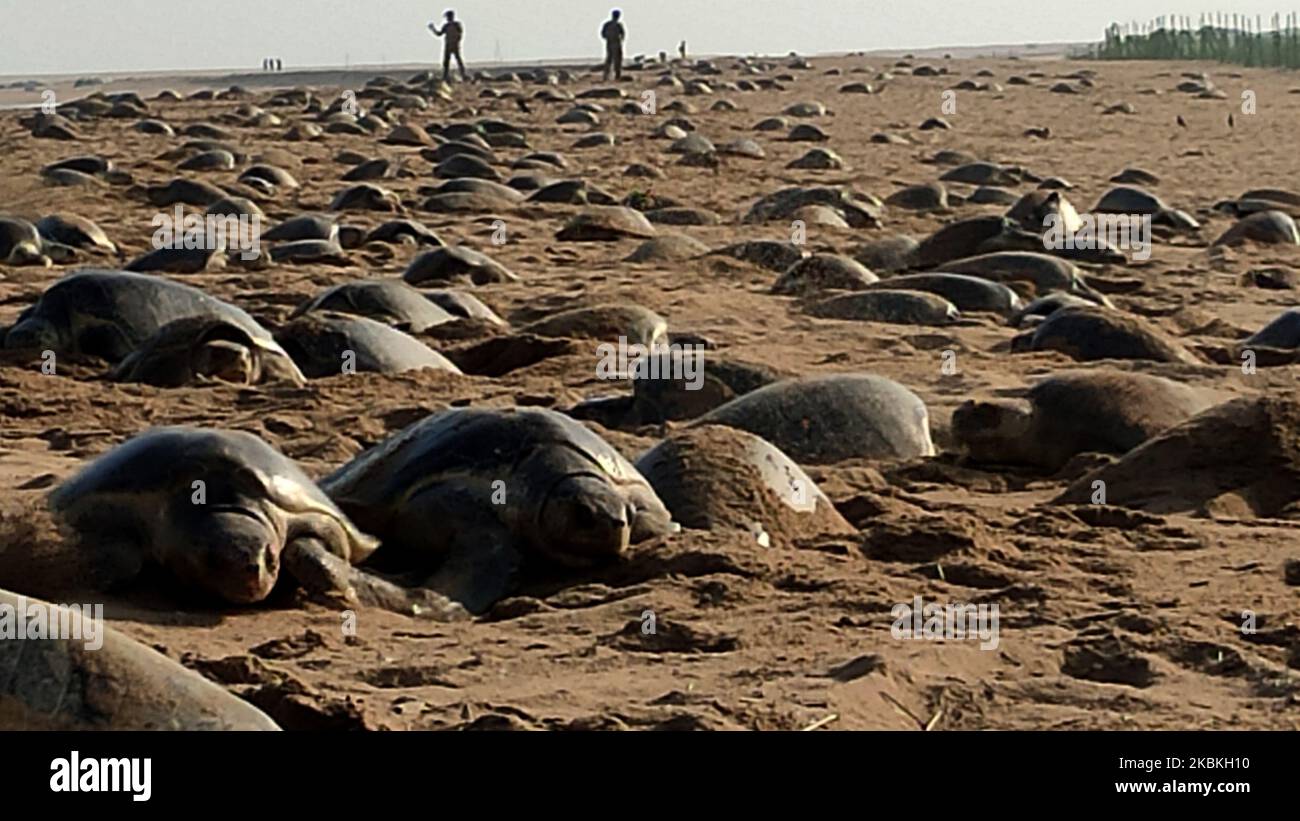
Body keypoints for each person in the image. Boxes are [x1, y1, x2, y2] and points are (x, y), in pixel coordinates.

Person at [428, 10, 467, 83]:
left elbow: (460, 34)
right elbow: (439, 34)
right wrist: (433, 29)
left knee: (456, 61)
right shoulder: (447, 25)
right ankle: (446, 77)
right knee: (448, 62)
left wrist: (457, 41)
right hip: (449, 45)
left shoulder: (456, 25)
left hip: (452, 45)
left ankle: (462, 75)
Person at [601, 9, 625, 81]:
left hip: (610, 43)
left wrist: (608, 38)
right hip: (615, 43)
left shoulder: (607, 24)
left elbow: (603, 34)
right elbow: (623, 34)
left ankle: (607, 76)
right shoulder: (618, 25)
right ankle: (616, 76)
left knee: (609, 59)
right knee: (617, 59)